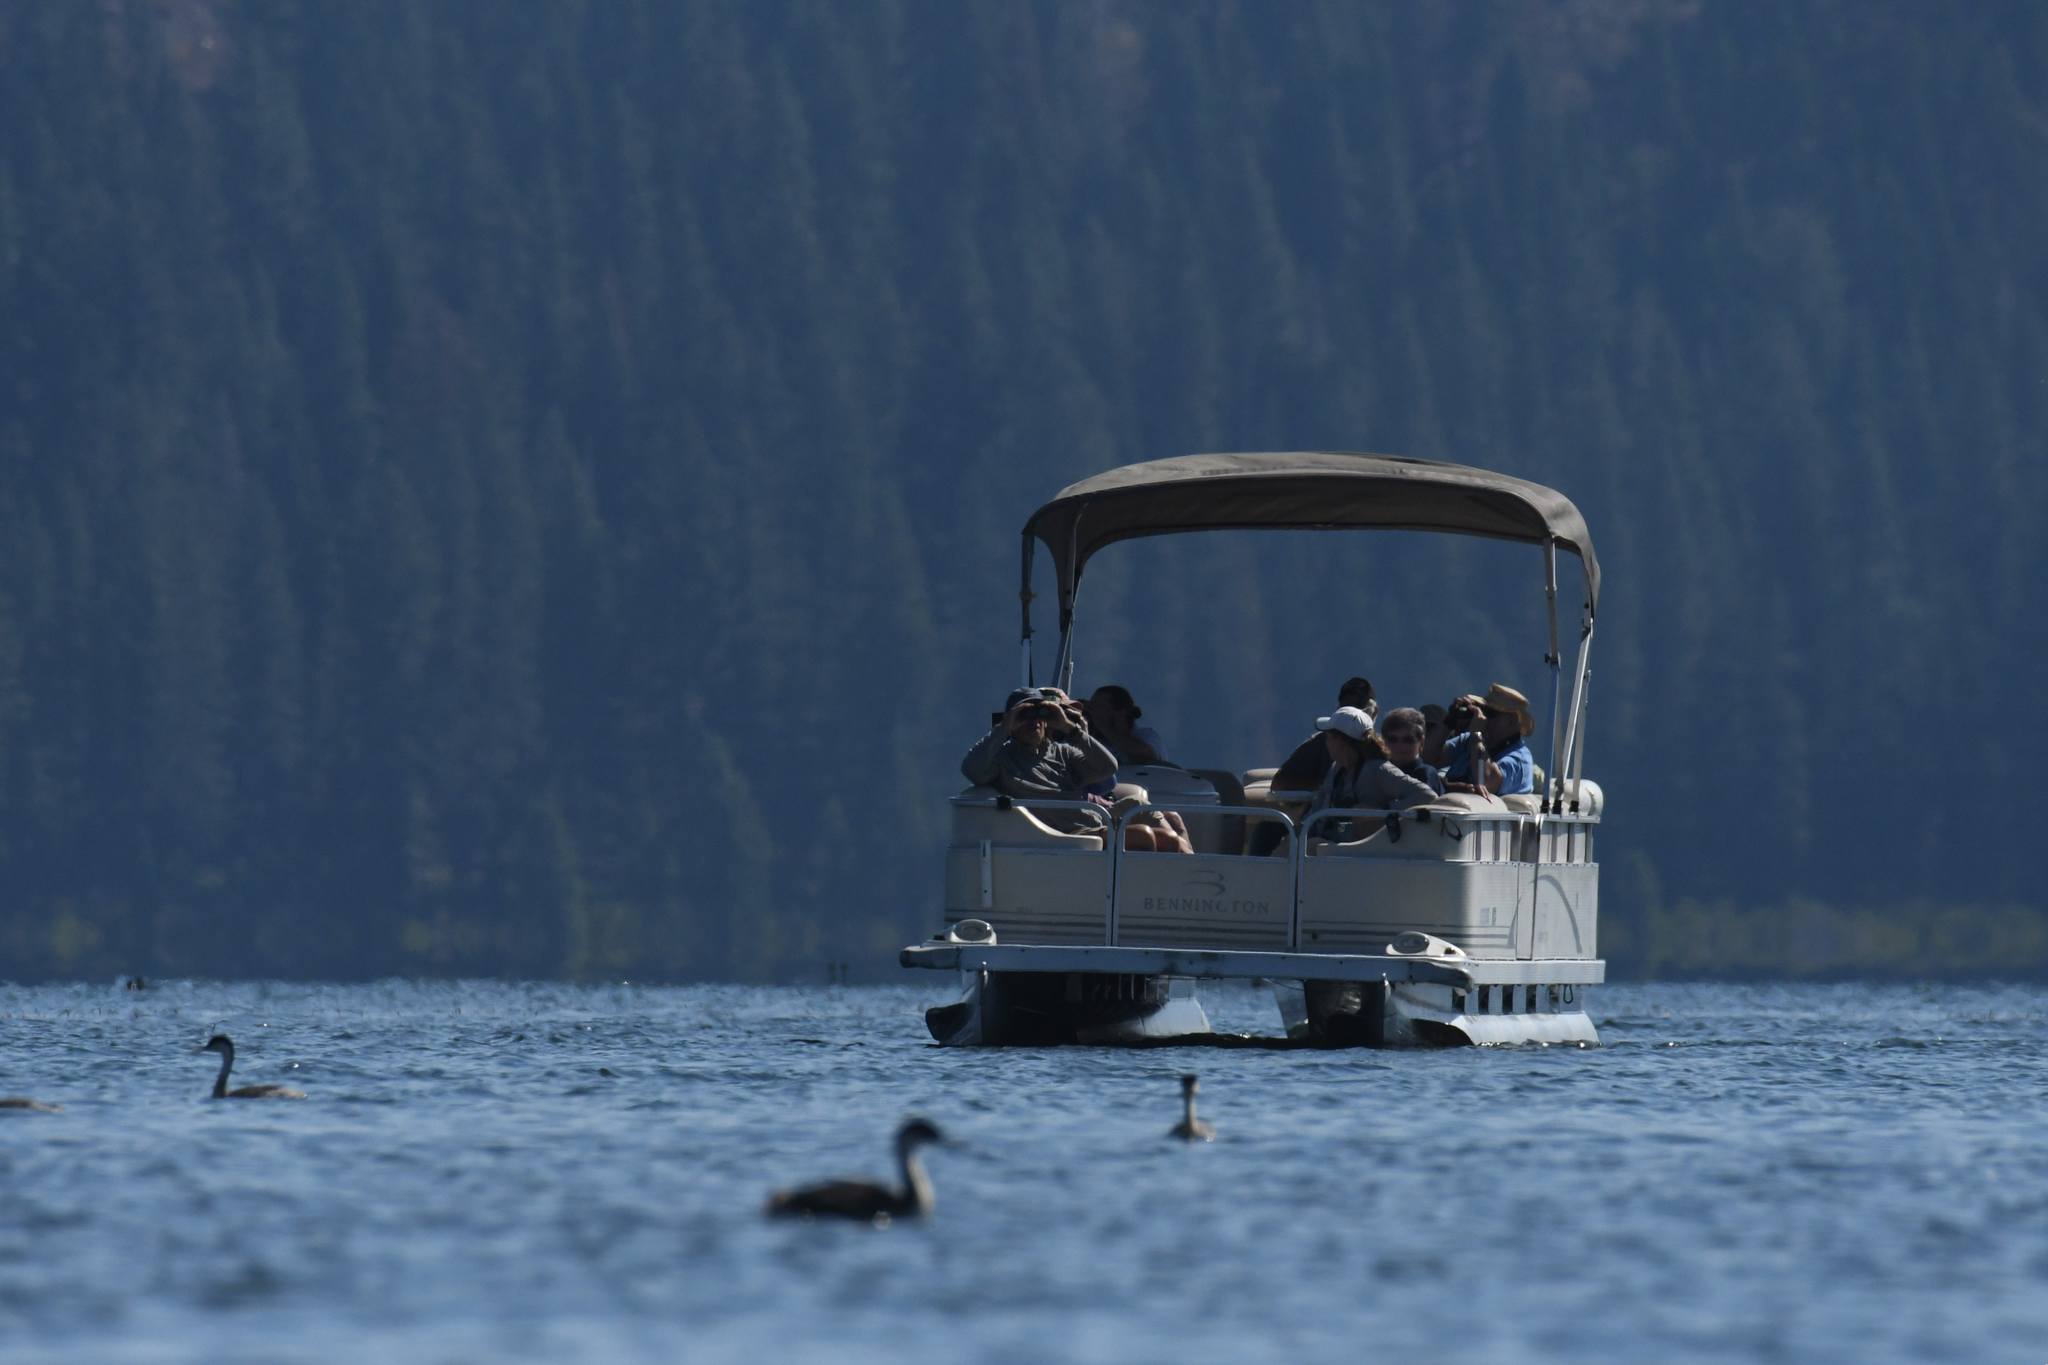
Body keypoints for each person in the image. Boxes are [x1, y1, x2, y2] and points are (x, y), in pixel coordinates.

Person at [959, 687, 1120, 833]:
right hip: (1070, 835)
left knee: (1141, 813)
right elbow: (972, 770)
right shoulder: (1002, 759)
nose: (1033, 720)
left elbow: (1107, 768)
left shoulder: (1064, 753)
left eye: (1041, 712)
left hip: (1096, 826)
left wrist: (1069, 728)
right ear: (1011, 722)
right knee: (1141, 834)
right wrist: (1003, 728)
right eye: (1024, 715)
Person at [1248, 676, 1376, 857]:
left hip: (1351, 837)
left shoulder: (1381, 760)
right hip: (1321, 828)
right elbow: (1282, 784)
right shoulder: (1325, 754)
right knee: (1268, 832)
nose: (1333, 742)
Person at [1304, 706, 1439, 841]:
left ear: (1342, 741)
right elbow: (1318, 806)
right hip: (1330, 842)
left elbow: (1427, 795)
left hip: (1355, 849)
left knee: (1306, 848)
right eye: (1393, 739)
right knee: (1293, 845)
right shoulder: (1336, 768)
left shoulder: (1376, 769)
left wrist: (1381, 812)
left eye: (1329, 737)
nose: (1327, 744)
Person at [1426, 682, 1536, 797]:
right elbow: (1428, 758)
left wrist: (1476, 736)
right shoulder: (1468, 741)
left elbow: (1486, 782)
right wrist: (1450, 721)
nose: (1484, 717)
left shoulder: (1519, 759)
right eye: (1483, 710)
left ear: (1511, 721)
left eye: (1491, 714)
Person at [1083, 685, 1170, 767]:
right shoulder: (1096, 743)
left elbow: (1146, 755)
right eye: (1091, 707)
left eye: (1098, 706)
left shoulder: (1146, 736)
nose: (1091, 712)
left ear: (1120, 713)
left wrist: (1104, 728)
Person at [1378, 707, 1446, 796]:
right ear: (1383, 742)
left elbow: (1421, 805)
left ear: (1421, 742)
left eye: (1408, 740)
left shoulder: (1425, 773)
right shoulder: (1376, 772)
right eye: (1393, 739)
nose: (1400, 746)